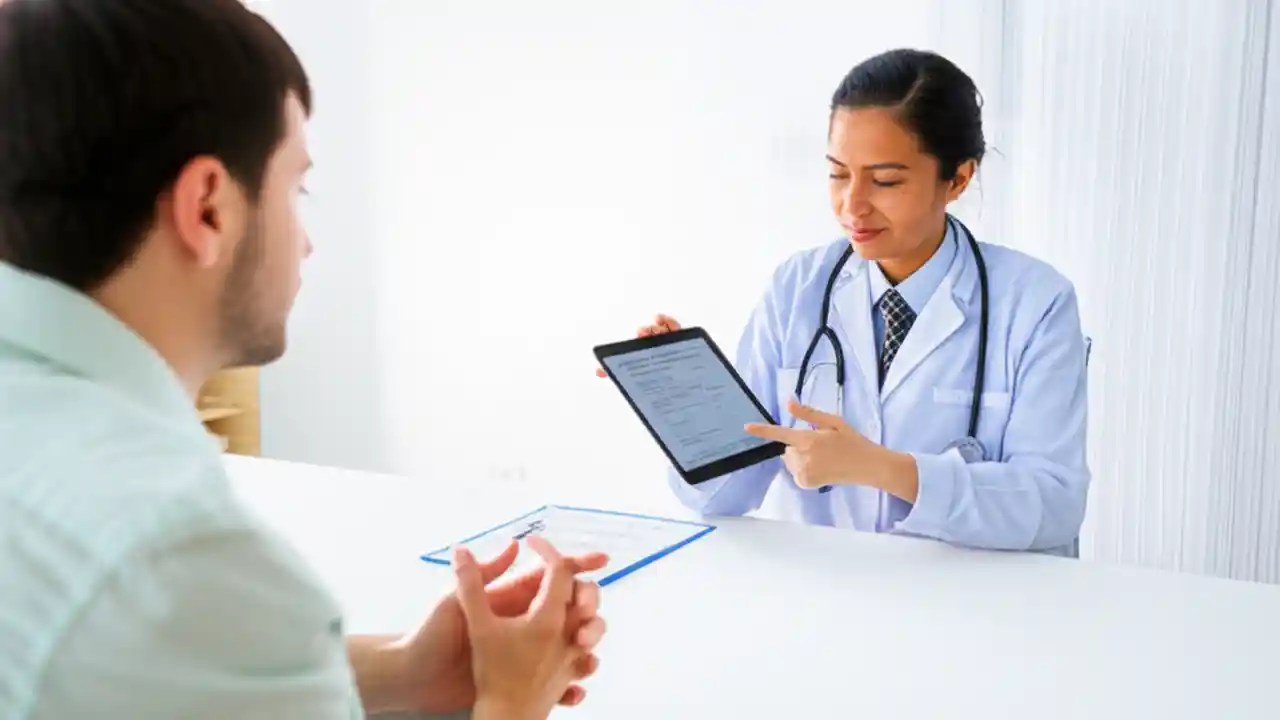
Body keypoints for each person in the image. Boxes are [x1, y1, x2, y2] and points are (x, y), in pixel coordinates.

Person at [0, 1, 606, 718]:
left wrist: (402, 674)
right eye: (297, 186)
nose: (308, 242)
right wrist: (512, 699)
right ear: (208, 208)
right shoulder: (179, 555)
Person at [606, 49, 1089, 555]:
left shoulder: (1035, 303)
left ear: (958, 179)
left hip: (977, 608)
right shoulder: (797, 288)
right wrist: (690, 405)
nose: (851, 205)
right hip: (828, 601)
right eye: (838, 174)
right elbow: (724, 497)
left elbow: (1054, 507)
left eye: (885, 181)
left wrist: (881, 467)